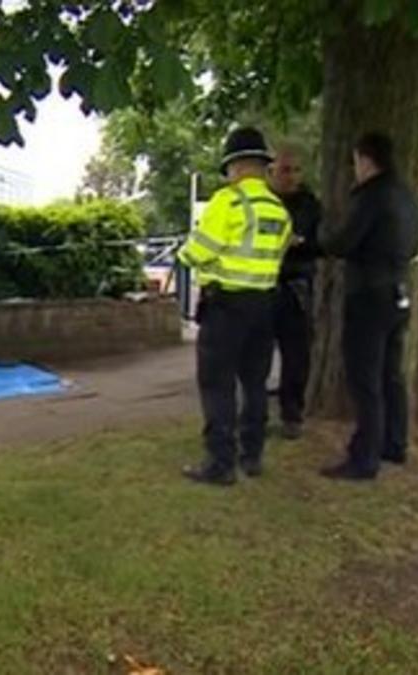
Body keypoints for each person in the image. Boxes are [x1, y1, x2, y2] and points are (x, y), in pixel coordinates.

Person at [178, 127, 293, 485]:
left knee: (217, 384)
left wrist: (189, 255)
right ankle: (253, 455)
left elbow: (197, 252)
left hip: (226, 306)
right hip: (264, 305)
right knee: (255, 383)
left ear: (237, 166)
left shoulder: (227, 203)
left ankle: (220, 463)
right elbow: (281, 251)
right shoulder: (278, 208)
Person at [321, 132, 418, 481]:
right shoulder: (407, 196)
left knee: (365, 378)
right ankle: (395, 442)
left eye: (356, 162)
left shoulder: (372, 196)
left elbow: (344, 241)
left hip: (368, 294)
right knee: (391, 375)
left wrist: (320, 237)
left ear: (365, 159)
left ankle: (364, 457)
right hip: (398, 290)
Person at [266, 144, 322, 440]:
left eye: (296, 170)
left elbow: (322, 244)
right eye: (285, 170)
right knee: (255, 353)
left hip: (296, 286)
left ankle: (292, 415)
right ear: (271, 171)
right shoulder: (262, 201)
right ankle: (253, 413)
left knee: (297, 355)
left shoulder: (310, 204)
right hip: (261, 284)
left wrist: (300, 244)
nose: (291, 176)